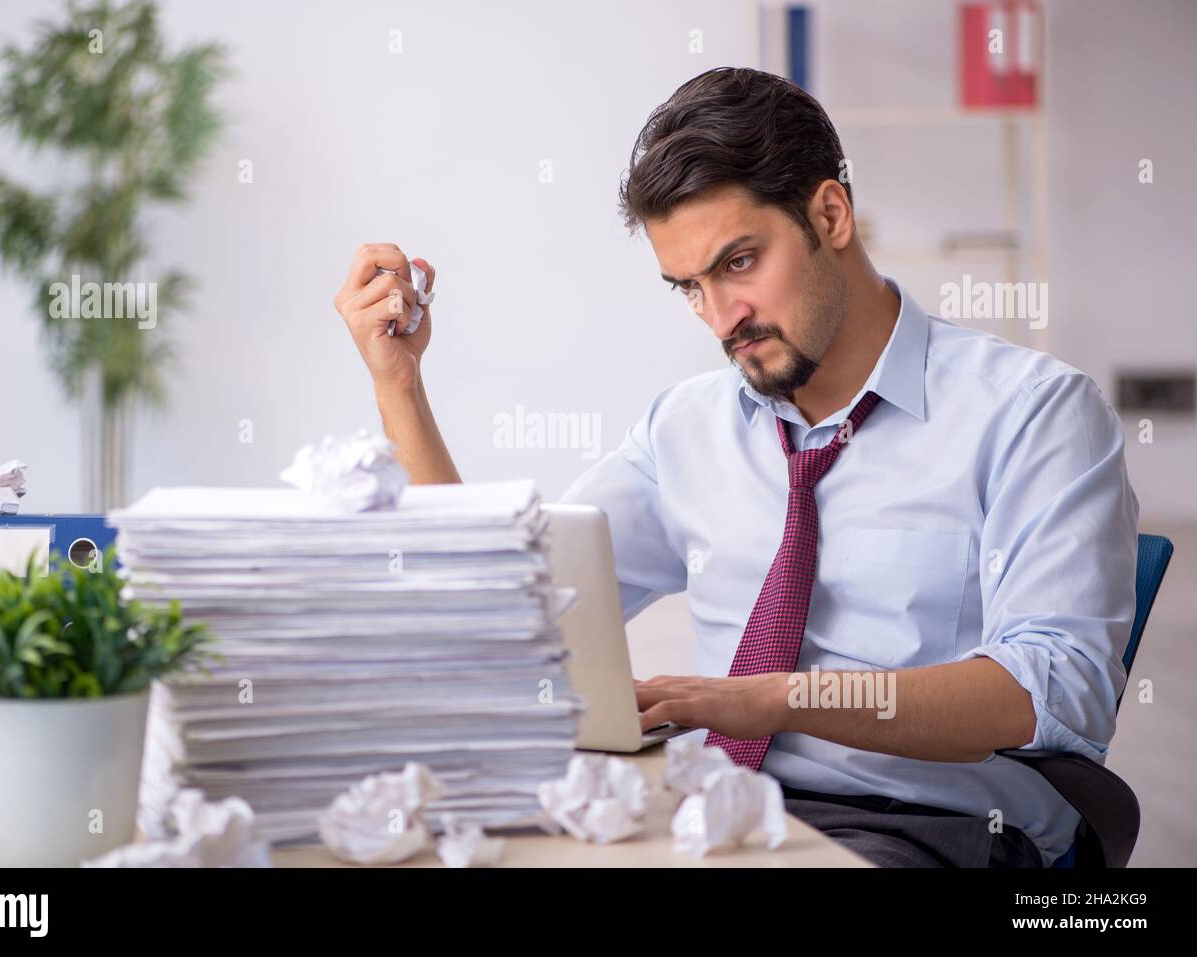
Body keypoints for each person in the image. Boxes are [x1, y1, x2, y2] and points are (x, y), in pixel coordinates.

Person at [332, 67, 1139, 868]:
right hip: (712, 807)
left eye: (739, 263)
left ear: (830, 213)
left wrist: (771, 697)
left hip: (932, 824)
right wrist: (398, 383)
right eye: (688, 286)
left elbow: (1051, 689)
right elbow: (508, 611)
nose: (721, 318)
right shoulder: (685, 427)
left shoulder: (1033, 413)